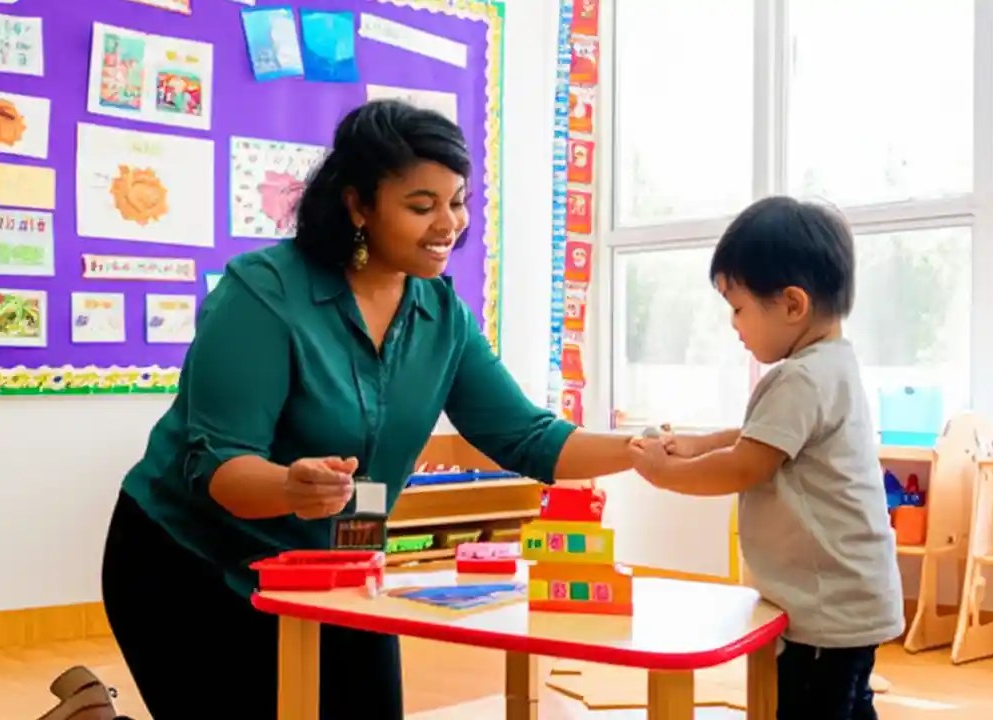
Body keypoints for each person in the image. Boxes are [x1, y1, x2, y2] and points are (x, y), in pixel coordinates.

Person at [99, 99, 637, 720]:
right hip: (193, 566)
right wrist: (291, 486)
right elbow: (221, 470)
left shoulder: (443, 316)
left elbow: (529, 437)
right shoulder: (264, 294)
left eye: (457, 200)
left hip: (341, 566)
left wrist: (643, 451)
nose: (449, 224)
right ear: (358, 206)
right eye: (421, 206)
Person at [628, 196, 904, 720]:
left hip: (826, 606)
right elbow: (762, 437)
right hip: (850, 594)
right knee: (848, 705)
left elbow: (745, 464)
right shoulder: (831, 364)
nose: (734, 325)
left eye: (738, 308)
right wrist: (697, 443)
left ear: (793, 305)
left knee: (809, 707)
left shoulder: (799, 377)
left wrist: (666, 473)